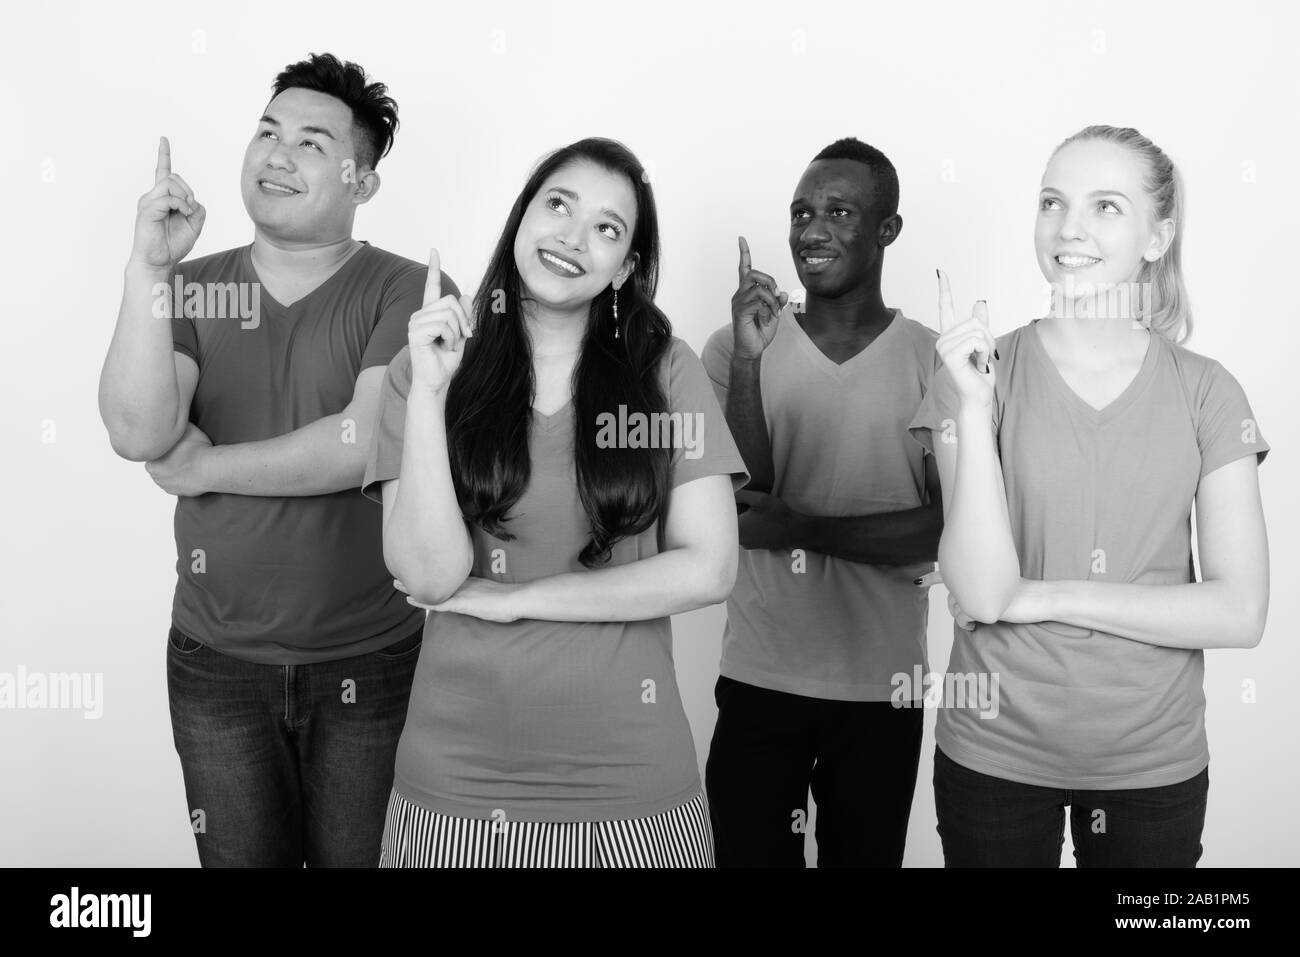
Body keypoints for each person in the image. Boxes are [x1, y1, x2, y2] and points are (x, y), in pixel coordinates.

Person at [97, 52, 458, 866]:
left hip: (373, 660)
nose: (277, 154)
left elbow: (363, 441)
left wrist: (205, 468)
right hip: (215, 662)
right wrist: (149, 271)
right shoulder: (191, 289)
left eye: (311, 141)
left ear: (361, 181)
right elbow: (136, 429)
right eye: (267, 132)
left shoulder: (410, 290)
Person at [362, 137, 748, 868]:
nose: (572, 237)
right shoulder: (425, 370)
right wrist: (430, 395)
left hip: (633, 793)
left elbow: (709, 567)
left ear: (625, 267)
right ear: (522, 217)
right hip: (455, 787)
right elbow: (429, 576)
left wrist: (520, 600)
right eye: (558, 205)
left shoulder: (665, 372)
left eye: (607, 228)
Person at [908, 125, 1270, 868]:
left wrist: (1039, 597)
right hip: (994, 753)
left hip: (1152, 765)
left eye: (1105, 206)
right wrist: (972, 410)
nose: (1067, 229)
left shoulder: (1207, 390)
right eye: (1052, 202)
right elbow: (979, 587)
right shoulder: (976, 376)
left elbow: (1240, 611)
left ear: (1156, 235)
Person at [701, 138, 943, 867]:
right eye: (801, 212)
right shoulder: (731, 349)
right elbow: (743, 509)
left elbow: (943, 530)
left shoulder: (936, 359)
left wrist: (801, 526)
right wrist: (750, 361)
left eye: (839, 211)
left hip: (883, 688)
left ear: (886, 230)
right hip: (758, 677)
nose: (812, 230)